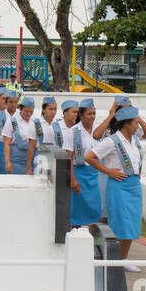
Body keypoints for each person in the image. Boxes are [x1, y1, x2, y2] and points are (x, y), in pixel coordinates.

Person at [84, 104, 146, 274]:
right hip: (119, 186)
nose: (138, 126)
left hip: (134, 185)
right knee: (119, 223)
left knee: (132, 224)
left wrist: (138, 116)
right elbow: (90, 157)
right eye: (135, 123)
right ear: (126, 123)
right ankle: (112, 259)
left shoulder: (135, 139)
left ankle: (123, 258)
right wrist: (108, 171)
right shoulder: (112, 140)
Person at [66, 98, 102, 229]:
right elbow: (69, 157)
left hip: (95, 174)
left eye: (94, 113)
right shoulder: (73, 131)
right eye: (89, 114)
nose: (92, 117)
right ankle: (74, 237)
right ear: (81, 115)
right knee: (77, 211)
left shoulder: (98, 130)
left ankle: (92, 240)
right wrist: (72, 179)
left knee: (95, 209)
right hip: (79, 173)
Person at [2, 95, 39, 175]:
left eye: (31, 111)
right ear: (20, 109)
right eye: (26, 111)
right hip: (16, 159)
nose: (29, 114)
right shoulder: (12, 122)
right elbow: (7, 144)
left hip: (32, 157)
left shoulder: (35, 122)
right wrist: (7, 162)